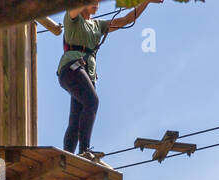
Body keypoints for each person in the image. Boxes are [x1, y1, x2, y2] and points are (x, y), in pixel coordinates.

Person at [57, 1, 159, 162]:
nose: (97, 3)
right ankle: (84, 150)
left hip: (85, 73)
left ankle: (66, 157)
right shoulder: (73, 18)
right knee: (92, 101)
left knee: (76, 118)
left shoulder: (98, 25)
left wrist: (146, 2)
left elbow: (126, 20)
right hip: (71, 68)